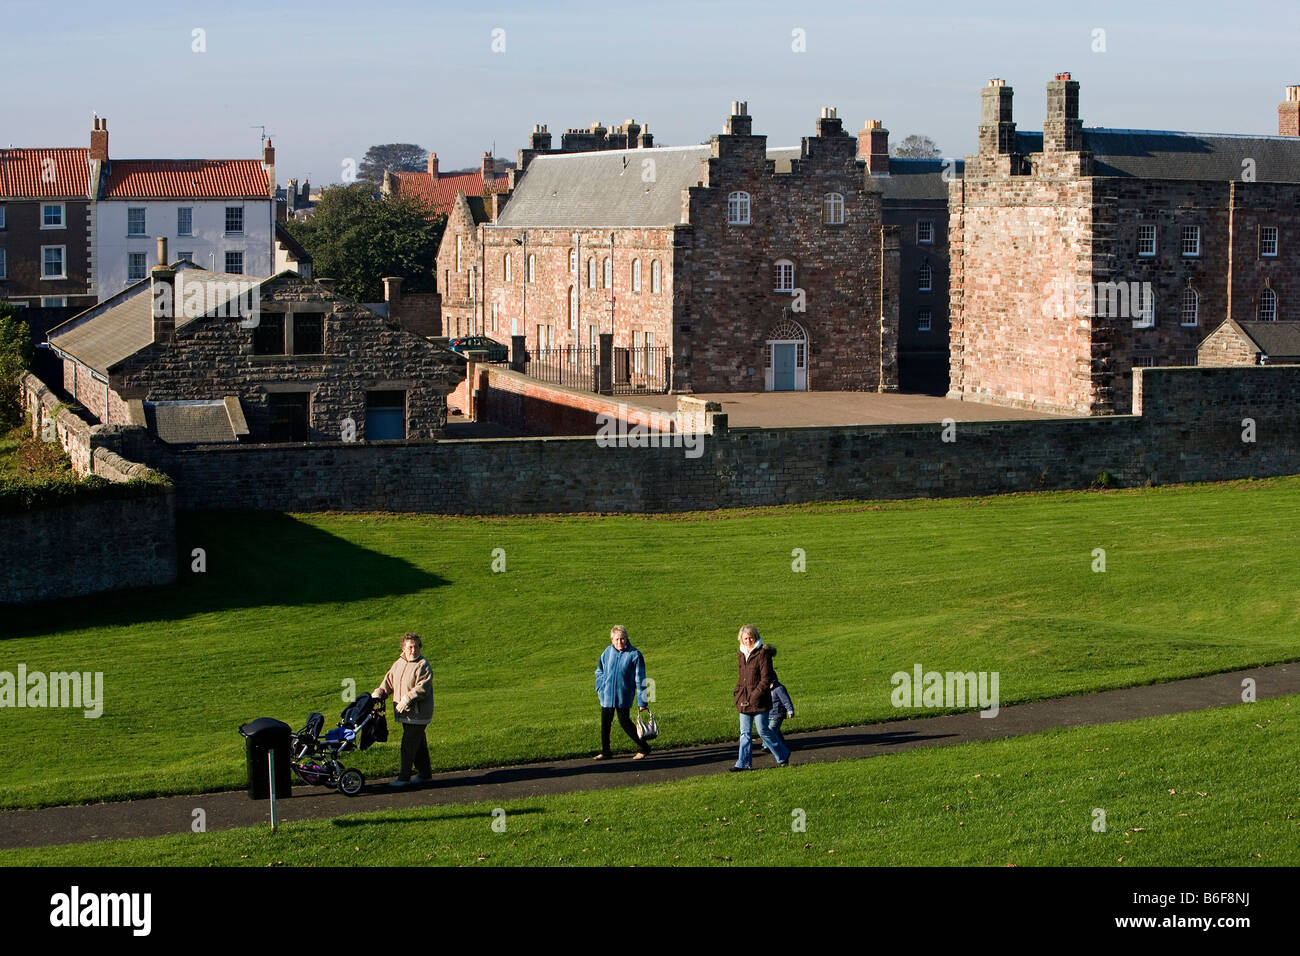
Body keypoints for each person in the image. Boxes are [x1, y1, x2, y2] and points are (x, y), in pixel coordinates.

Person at [371, 632, 434, 787]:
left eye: (417, 646)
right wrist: (379, 693)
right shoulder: (398, 663)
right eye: (410, 647)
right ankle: (425, 774)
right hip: (405, 713)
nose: (414, 650)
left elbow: (423, 688)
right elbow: (389, 681)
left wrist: (407, 698)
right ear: (404, 648)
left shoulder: (423, 665)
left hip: (418, 714)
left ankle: (403, 778)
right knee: (418, 744)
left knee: (408, 744)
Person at [732, 624, 789, 771]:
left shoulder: (763, 654)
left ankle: (783, 754)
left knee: (763, 730)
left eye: (751, 637)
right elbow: (741, 678)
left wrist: (755, 695)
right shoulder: (741, 654)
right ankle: (743, 764)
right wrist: (737, 693)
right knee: (744, 733)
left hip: (760, 699)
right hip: (744, 700)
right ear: (741, 639)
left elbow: (766, 679)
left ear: (755, 637)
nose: (748, 640)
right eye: (745, 638)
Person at [593, 625, 651, 760]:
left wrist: (642, 702)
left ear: (626, 639)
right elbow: (599, 671)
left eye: (622, 639)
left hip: (623, 696)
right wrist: (600, 687)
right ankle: (606, 752)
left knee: (625, 723)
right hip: (606, 696)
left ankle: (644, 747)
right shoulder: (607, 652)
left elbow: (641, 679)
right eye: (617, 639)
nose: (619, 642)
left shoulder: (634, 654)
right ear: (612, 640)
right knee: (605, 724)